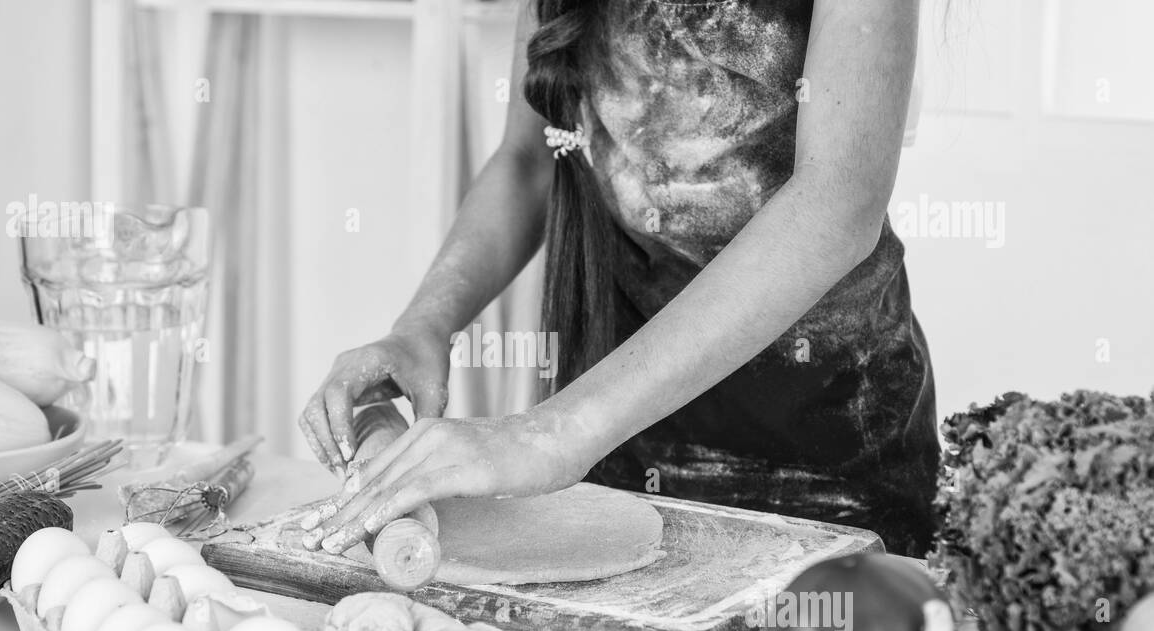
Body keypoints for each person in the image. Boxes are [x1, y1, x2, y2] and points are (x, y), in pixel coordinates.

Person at [298, 0, 939, 558]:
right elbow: (532, 161)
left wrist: (554, 432)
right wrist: (423, 326)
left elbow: (838, 204)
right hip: (625, 455)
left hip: (828, 457)